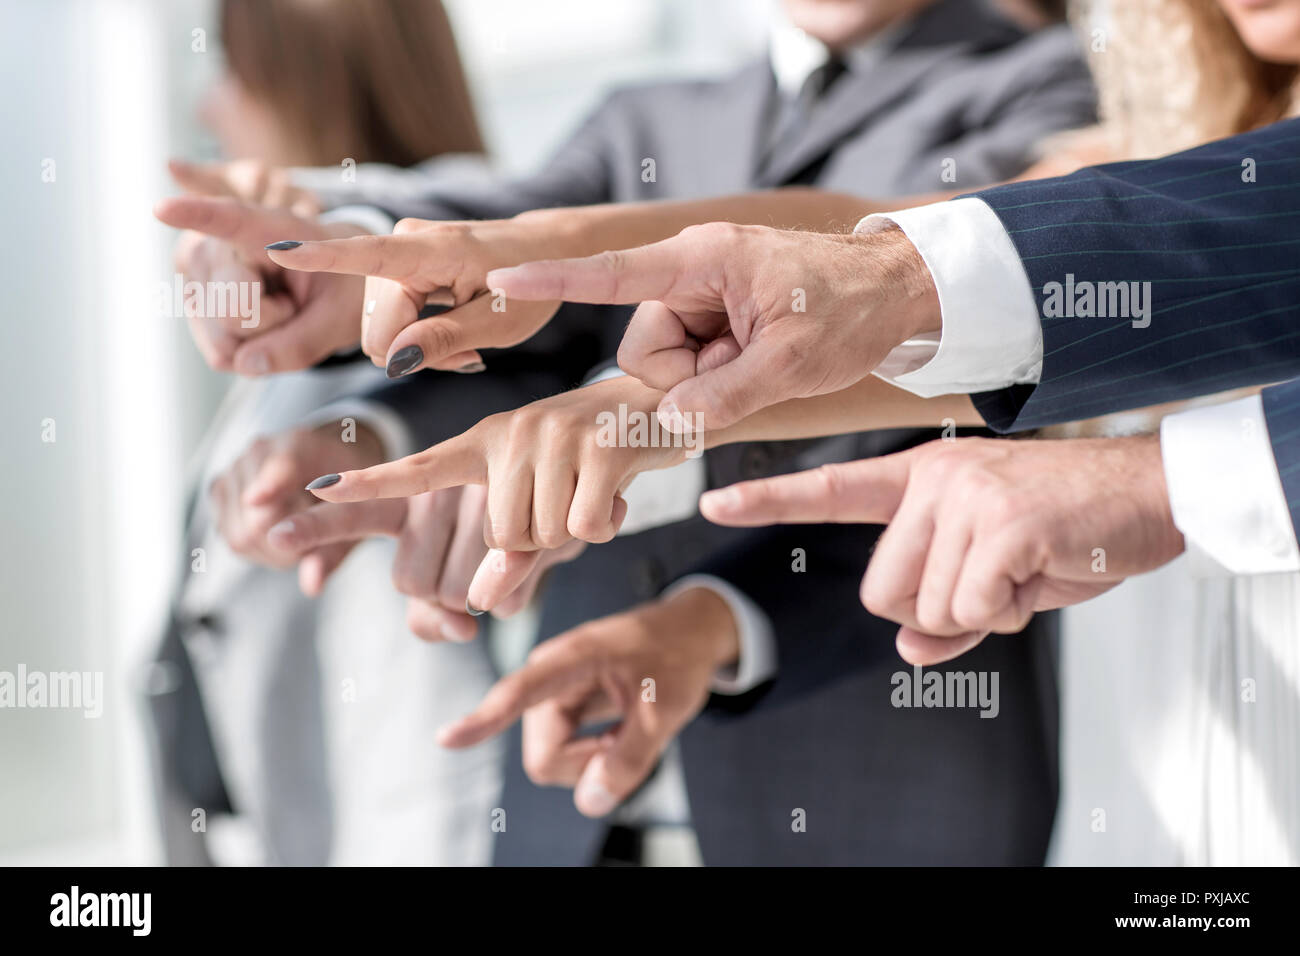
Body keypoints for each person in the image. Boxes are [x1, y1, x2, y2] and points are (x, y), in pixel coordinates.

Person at [163, 0, 1096, 865]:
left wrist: (627, 449)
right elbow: (511, 260)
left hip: (868, 798)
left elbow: (973, 356)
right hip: (573, 809)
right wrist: (347, 271)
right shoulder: (651, 116)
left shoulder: (1049, 85)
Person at [146, 0, 506, 866]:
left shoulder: (485, 248)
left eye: (236, 69)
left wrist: (327, 231)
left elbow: (459, 265)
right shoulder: (293, 309)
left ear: (310, 76)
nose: (211, 105)